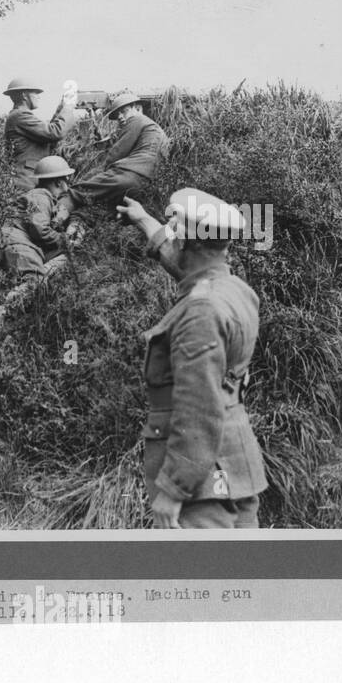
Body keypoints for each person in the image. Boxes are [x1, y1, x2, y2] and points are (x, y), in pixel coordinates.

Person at [116, 190, 268, 529]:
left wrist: (173, 489)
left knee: (199, 581)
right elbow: (189, 270)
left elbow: (198, 407)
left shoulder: (201, 310)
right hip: (233, 467)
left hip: (201, 487)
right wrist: (143, 219)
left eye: (176, 233)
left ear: (186, 241)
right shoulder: (232, 290)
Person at [59, 91, 169, 220]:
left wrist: (93, 177)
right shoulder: (157, 129)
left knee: (77, 192)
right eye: (118, 115)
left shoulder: (137, 120)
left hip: (127, 177)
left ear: (137, 108)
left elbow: (115, 154)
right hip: (146, 185)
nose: (120, 117)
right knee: (102, 210)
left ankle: (53, 219)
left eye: (124, 111)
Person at [0, 155, 77, 279]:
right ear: (58, 182)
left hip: (11, 243)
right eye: (66, 179)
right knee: (33, 283)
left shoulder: (39, 197)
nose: (68, 184)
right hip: (17, 245)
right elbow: (39, 229)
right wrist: (63, 239)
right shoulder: (41, 196)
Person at [2, 78, 82, 191]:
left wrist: (61, 108)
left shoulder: (20, 116)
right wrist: (68, 107)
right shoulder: (20, 116)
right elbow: (55, 132)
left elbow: (48, 134)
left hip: (29, 178)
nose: (38, 96)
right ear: (25, 95)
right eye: (35, 93)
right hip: (26, 181)